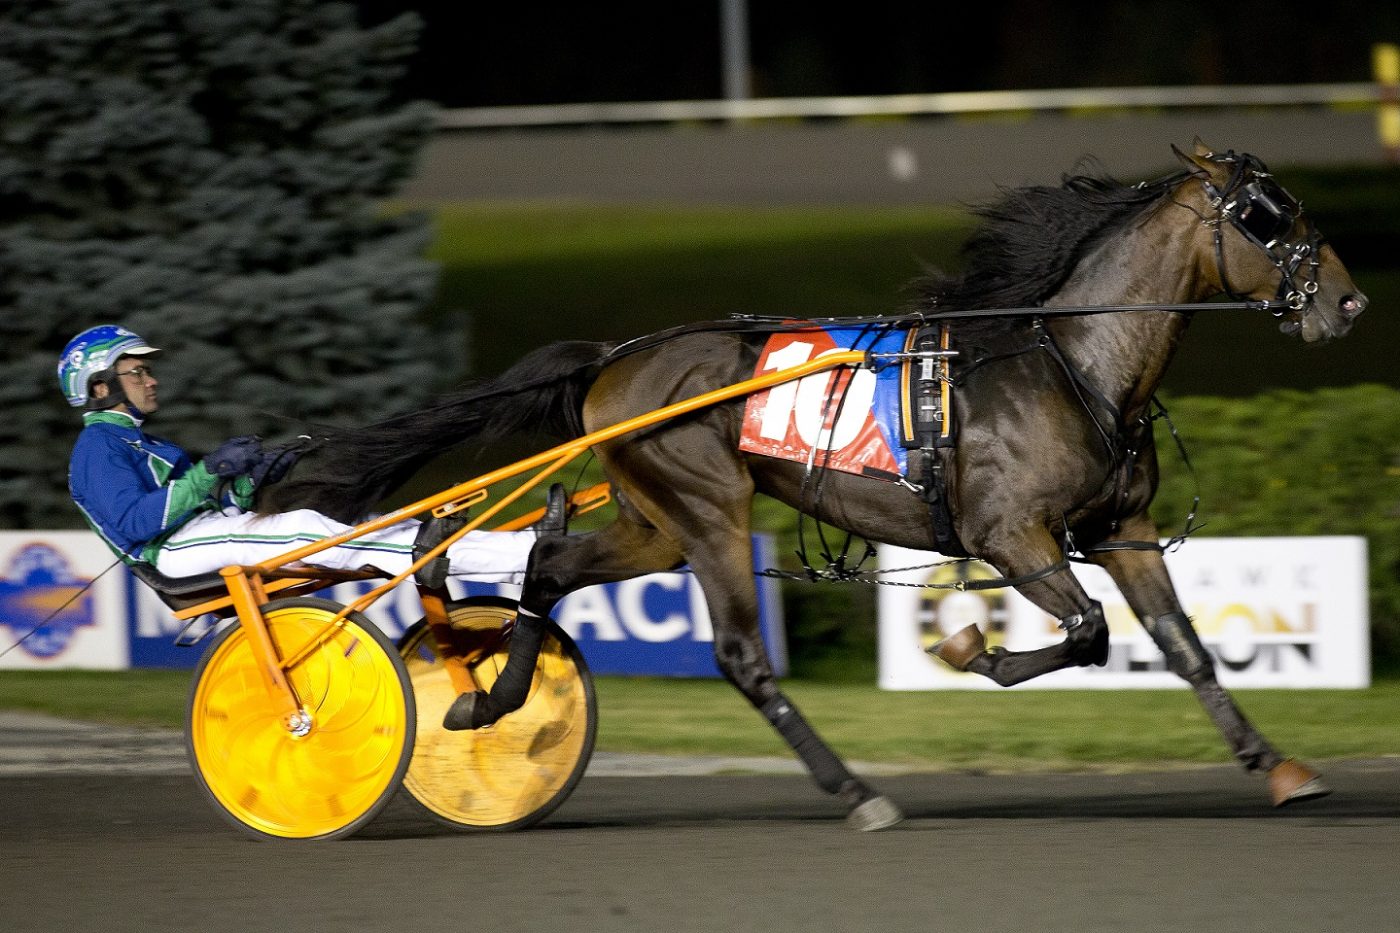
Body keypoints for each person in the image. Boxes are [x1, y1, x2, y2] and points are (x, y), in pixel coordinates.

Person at [60, 324, 558, 582]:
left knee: (370, 523)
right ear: (101, 389)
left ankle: (511, 557)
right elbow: (136, 522)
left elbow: (217, 507)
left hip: (203, 536)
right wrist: (207, 471)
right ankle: (527, 554)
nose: (151, 379)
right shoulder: (97, 448)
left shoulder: (146, 442)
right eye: (136, 373)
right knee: (311, 533)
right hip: (169, 553)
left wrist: (249, 481)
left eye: (147, 371)